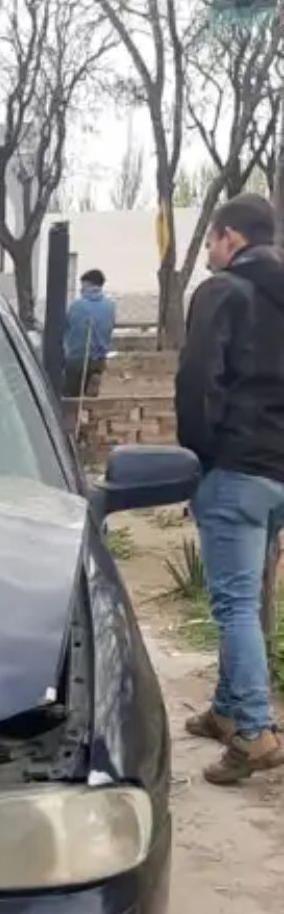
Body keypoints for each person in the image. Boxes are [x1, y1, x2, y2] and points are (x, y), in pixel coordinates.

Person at [176, 191, 284, 785]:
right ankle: (225, 708)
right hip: (278, 470)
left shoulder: (222, 292)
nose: (210, 253)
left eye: (213, 240)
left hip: (236, 469)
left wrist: (200, 455)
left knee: (235, 603)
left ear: (230, 239)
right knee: (249, 594)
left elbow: (196, 379)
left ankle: (251, 732)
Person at [63, 269, 116, 398]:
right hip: (99, 358)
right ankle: (93, 383)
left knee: (70, 396)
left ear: (87, 284)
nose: (81, 289)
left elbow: (66, 327)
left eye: (82, 285)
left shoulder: (77, 306)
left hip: (77, 357)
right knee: (90, 401)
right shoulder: (110, 306)